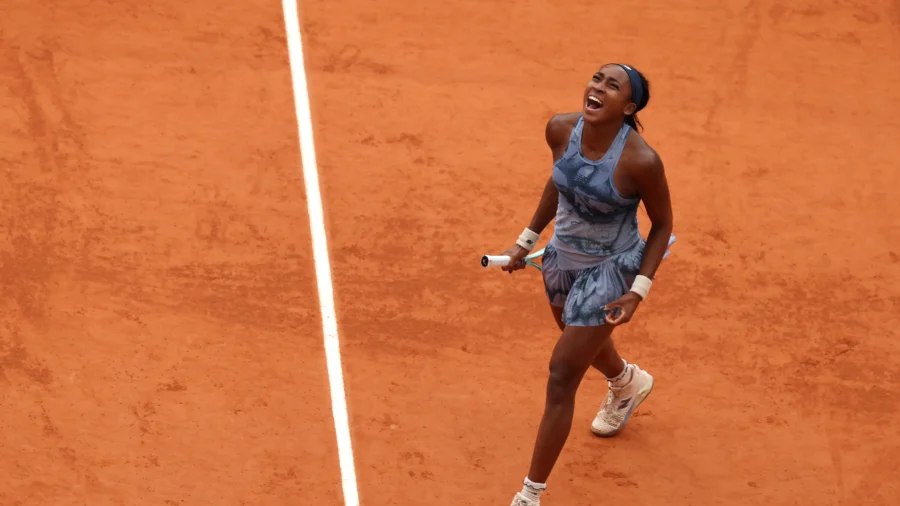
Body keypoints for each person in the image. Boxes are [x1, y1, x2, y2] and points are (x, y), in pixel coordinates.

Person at [498, 63, 676, 506]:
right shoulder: (561, 129)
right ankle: (627, 381)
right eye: (597, 79)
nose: (597, 88)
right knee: (581, 342)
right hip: (561, 260)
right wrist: (526, 241)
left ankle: (529, 494)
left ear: (629, 106)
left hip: (610, 269)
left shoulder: (640, 161)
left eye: (612, 86)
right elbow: (561, 181)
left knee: (562, 374)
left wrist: (638, 290)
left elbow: (662, 225)